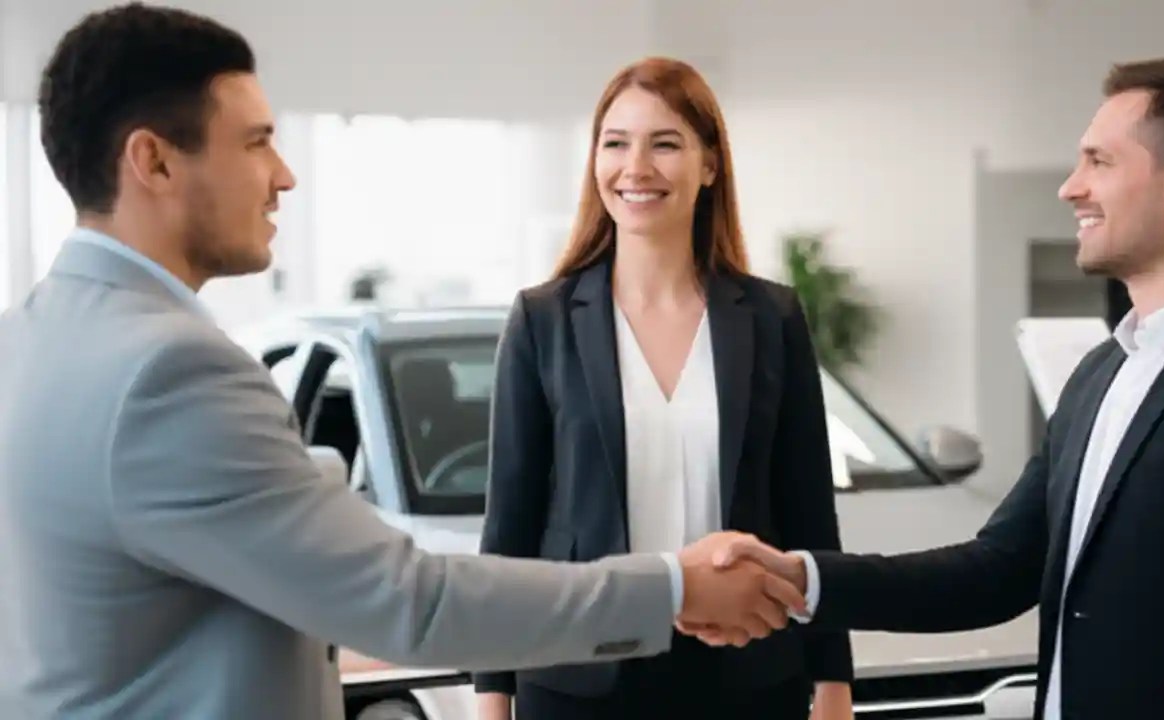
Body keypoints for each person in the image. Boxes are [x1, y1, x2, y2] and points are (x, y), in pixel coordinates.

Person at [0, 6, 807, 719]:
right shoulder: (172, 373)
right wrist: (674, 586)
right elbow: (410, 602)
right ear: (156, 162)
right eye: (256, 143)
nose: (284, 175)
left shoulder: (24, 340)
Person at [702, 56, 1164, 720]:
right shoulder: (1102, 371)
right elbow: (998, 569)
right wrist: (800, 580)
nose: (1071, 188)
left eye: (1100, 161)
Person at [473, 57, 854, 720]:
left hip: (749, 681)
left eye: (665, 143)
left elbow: (810, 519)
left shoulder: (771, 319)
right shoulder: (544, 320)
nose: (636, 167)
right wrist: (491, 700)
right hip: (577, 682)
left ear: (710, 165)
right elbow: (510, 530)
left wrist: (834, 686)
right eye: (615, 143)